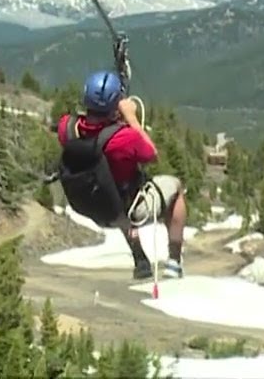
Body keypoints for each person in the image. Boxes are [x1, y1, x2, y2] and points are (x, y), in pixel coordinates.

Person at [56, 69, 188, 281]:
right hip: (125, 210)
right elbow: (152, 154)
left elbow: (89, 128)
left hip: (91, 204)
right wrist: (131, 117)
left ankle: (141, 260)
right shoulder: (126, 138)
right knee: (175, 187)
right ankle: (174, 262)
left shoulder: (66, 128)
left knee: (114, 193)